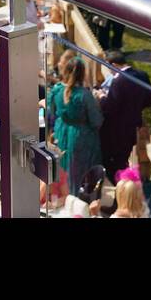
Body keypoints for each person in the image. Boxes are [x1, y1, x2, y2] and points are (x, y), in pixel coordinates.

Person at [45, 57, 103, 196]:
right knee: (79, 171)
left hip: (61, 131)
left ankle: (61, 196)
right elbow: (96, 121)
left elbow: (51, 111)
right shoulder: (84, 95)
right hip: (81, 136)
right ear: (83, 74)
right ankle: (75, 198)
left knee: (62, 167)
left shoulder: (56, 90)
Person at [98, 51, 151, 182]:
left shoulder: (119, 81)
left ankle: (119, 187)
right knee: (123, 158)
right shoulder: (142, 75)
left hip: (115, 130)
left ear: (114, 65)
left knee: (112, 162)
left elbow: (109, 107)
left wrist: (102, 97)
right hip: (133, 125)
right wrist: (136, 106)